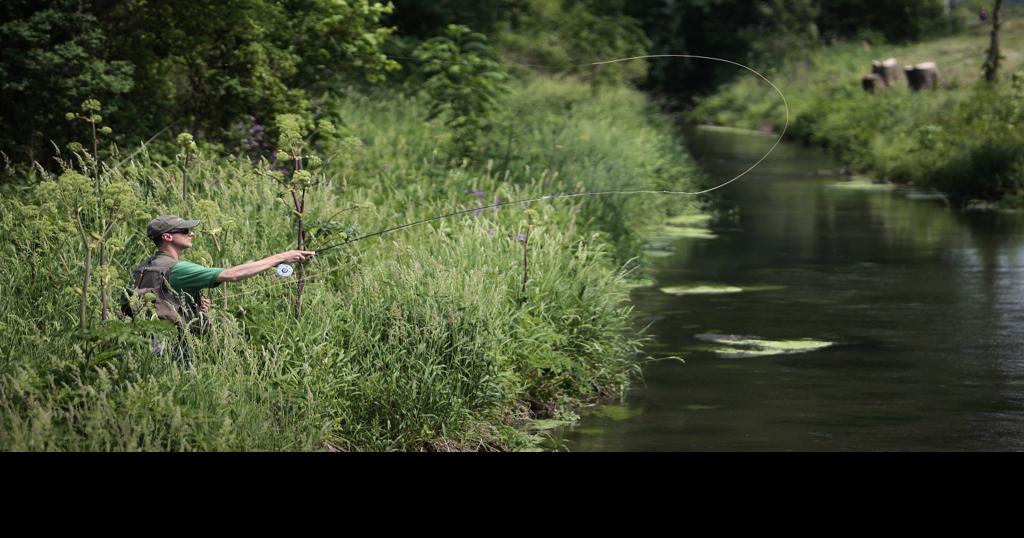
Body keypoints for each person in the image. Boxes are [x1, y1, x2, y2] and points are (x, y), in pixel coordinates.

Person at [124, 215, 314, 362]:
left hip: (146, 345)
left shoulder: (145, 267)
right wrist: (281, 257)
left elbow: (159, 299)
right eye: (185, 230)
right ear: (167, 237)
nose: (191, 233)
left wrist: (193, 306)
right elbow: (232, 274)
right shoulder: (178, 269)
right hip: (172, 348)